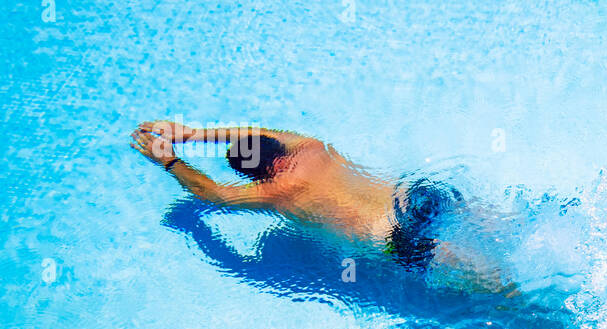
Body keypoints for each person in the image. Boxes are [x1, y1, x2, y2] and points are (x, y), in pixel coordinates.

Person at [131, 121, 509, 292]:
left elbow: (214, 194)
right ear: (279, 148)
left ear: (258, 176)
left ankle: (524, 305)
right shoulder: (311, 146)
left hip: (393, 239)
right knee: (499, 227)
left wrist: (169, 162)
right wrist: (193, 133)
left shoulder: (277, 192)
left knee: (495, 287)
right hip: (411, 196)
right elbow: (257, 132)